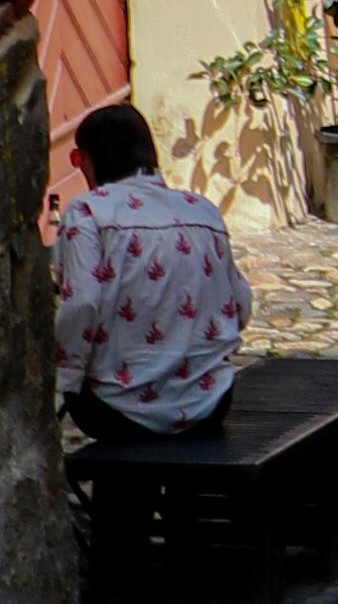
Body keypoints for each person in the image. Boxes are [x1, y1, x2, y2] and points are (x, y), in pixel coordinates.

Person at [50, 98, 251, 439]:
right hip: (209, 403)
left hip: (116, 410)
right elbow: (240, 305)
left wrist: (64, 380)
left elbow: (82, 303)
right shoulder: (202, 211)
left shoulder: (87, 213)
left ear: (88, 159)